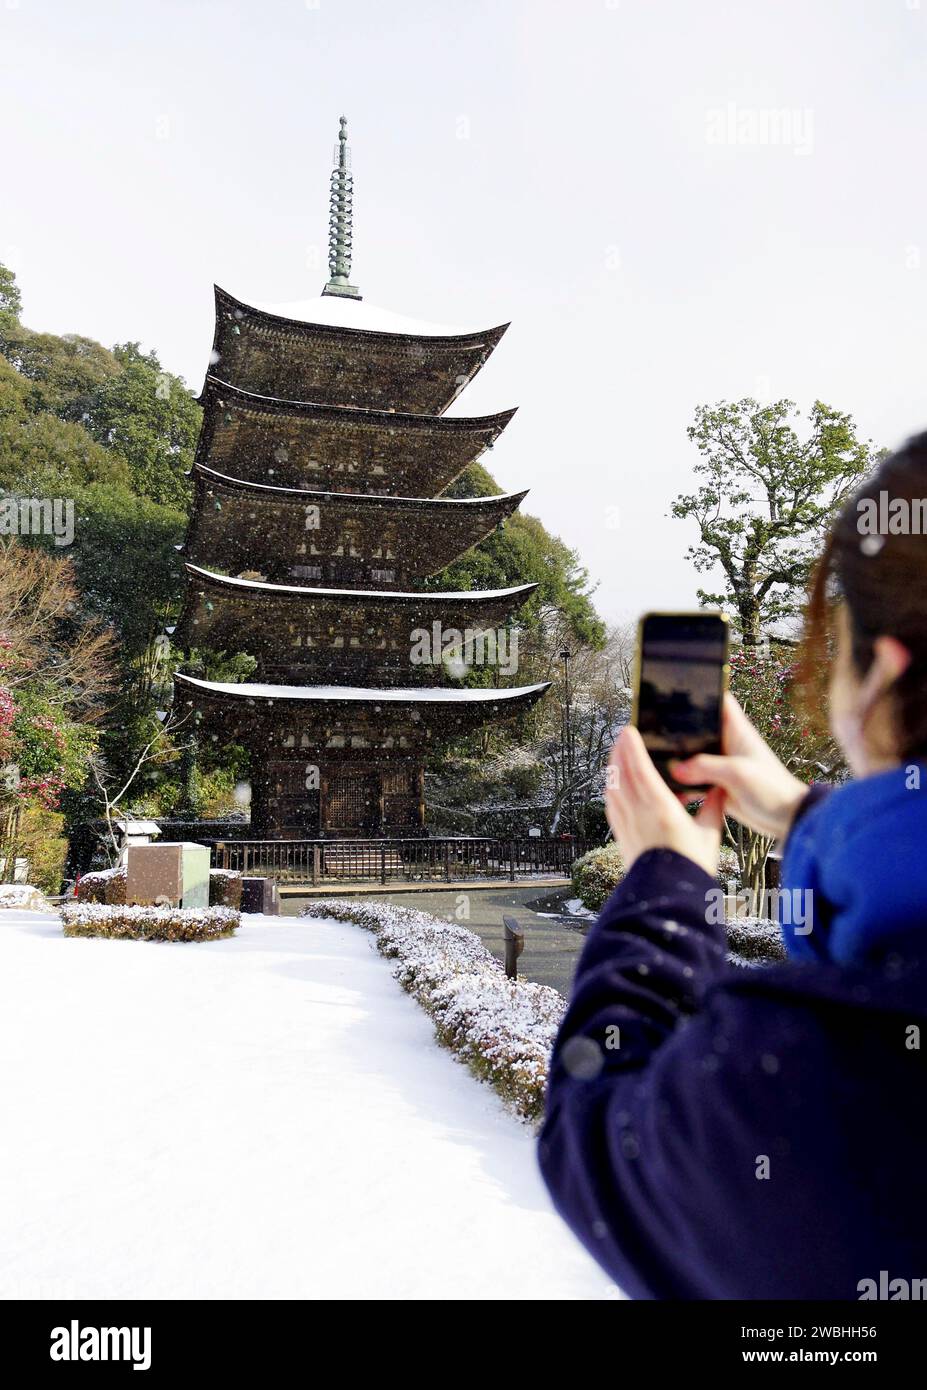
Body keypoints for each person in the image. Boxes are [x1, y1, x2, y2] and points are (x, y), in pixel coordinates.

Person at [538, 436, 927, 1300]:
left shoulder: (808, 1083)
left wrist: (664, 894)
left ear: (879, 680)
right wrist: (804, 818)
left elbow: (596, 1137)